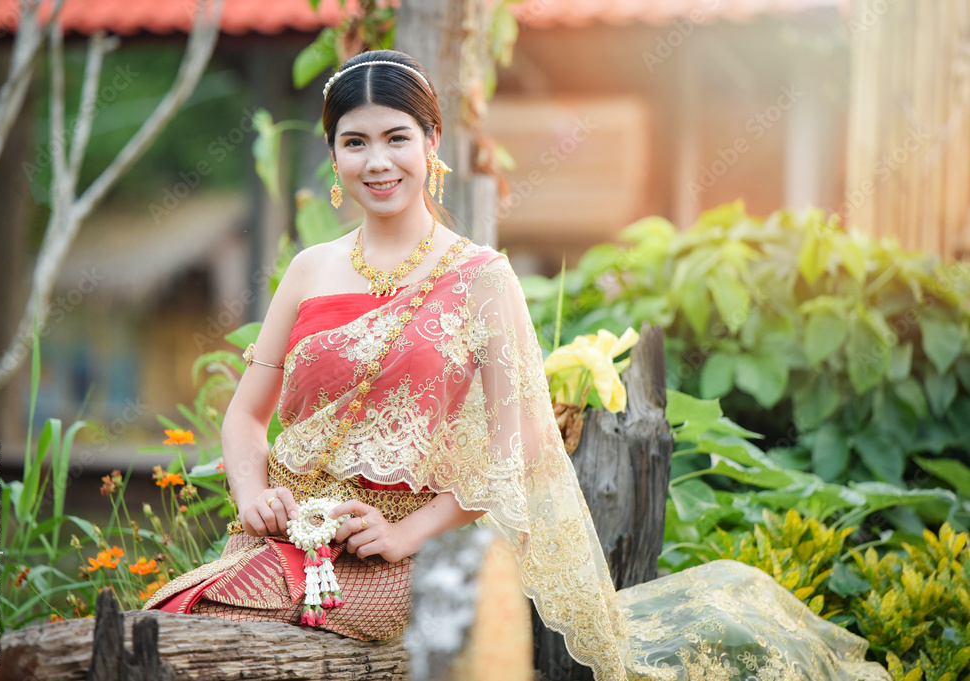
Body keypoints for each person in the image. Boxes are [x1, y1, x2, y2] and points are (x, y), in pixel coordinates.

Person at [145, 49, 889, 681]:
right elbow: (246, 416)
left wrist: (408, 534)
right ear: (333, 154)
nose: (377, 161)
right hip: (276, 535)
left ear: (432, 142)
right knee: (167, 616)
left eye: (397, 137)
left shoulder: (480, 278)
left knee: (197, 630)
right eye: (355, 142)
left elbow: (522, 444)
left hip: (392, 557)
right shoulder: (310, 269)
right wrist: (253, 494)